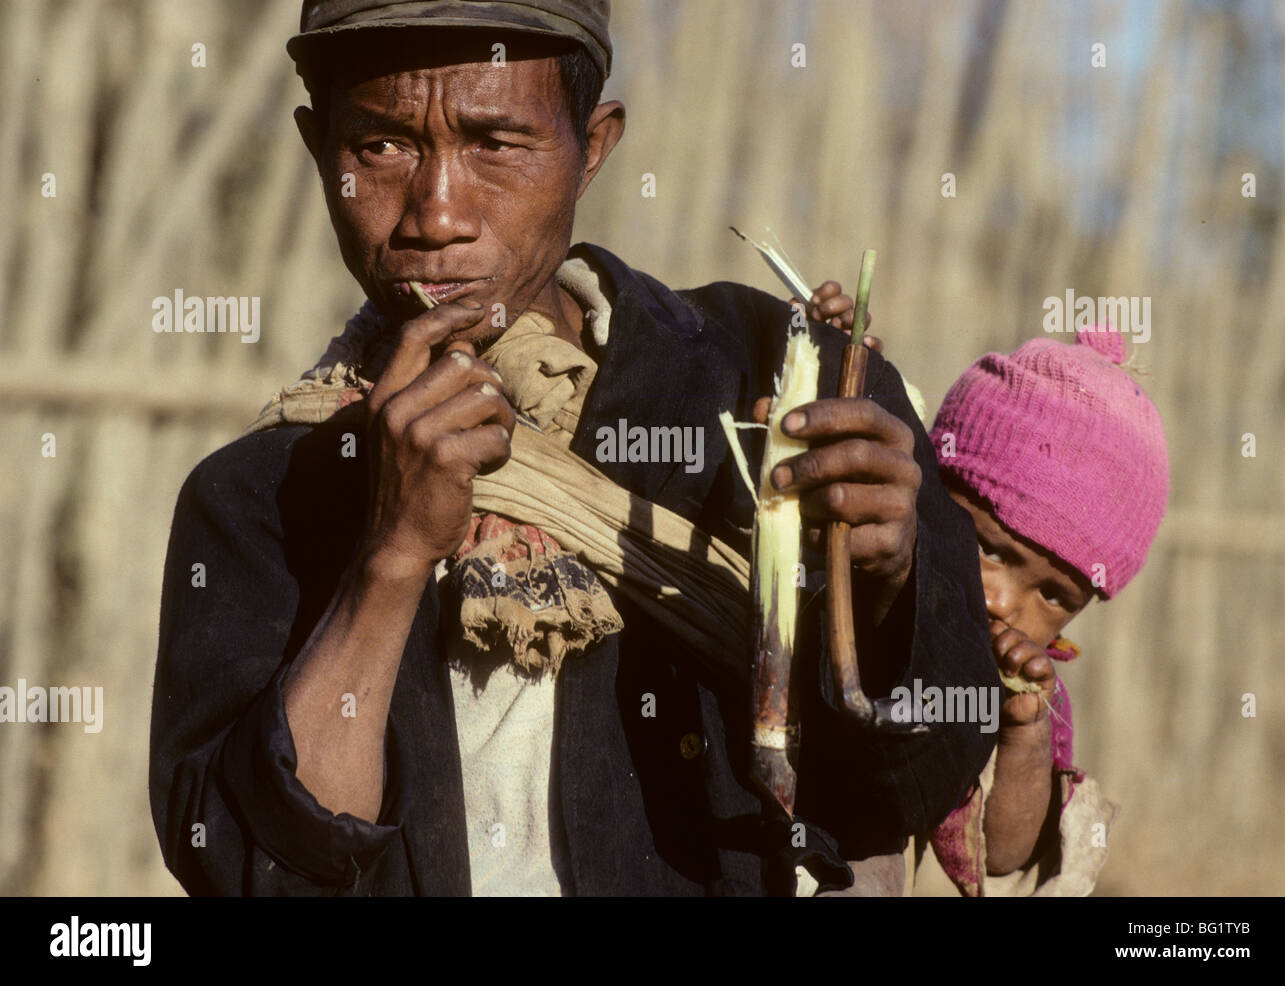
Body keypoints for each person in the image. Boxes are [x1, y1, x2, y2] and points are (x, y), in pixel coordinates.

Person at [149, 0, 999, 896]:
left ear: (592, 148)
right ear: (321, 150)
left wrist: (887, 584)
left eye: (498, 145)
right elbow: (246, 869)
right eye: (382, 148)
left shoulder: (769, 378)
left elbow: (912, 786)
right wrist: (392, 557)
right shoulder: (260, 494)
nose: (436, 216)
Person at [808, 282, 1169, 894]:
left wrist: (1023, 735)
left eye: (1054, 596)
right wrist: (833, 358)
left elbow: (1001, 855)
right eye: (988, 548)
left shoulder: (1023, 691)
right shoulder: (863, 552)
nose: (1004, 602)